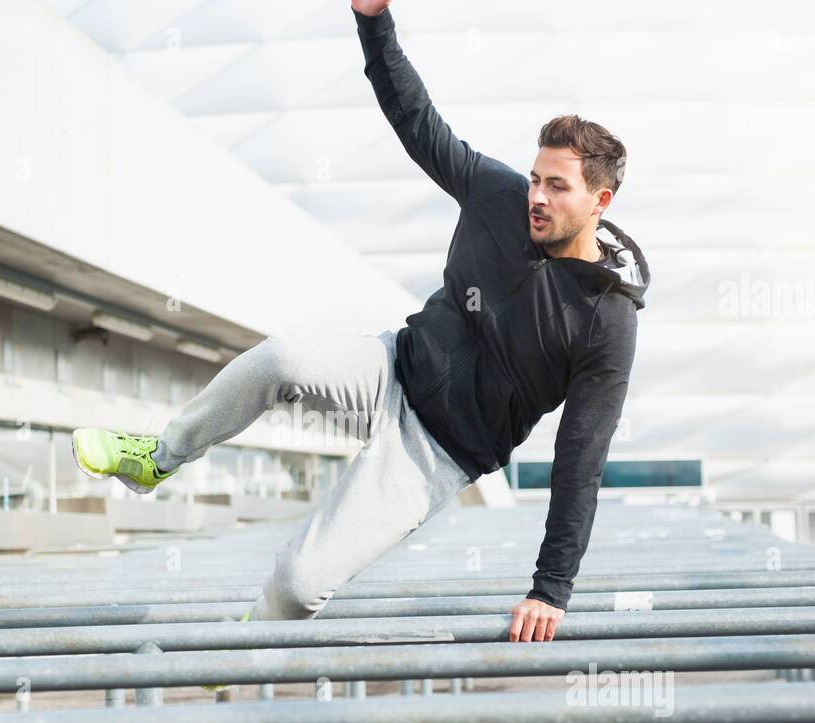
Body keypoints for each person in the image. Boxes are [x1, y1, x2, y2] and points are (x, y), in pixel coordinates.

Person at [73, 0, 649, 644]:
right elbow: (416, 121)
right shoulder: (498, 197)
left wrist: (550, 588)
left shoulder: (607, 321)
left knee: (298, 583)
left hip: (440, 450)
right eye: (537, 178)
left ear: (600, 200)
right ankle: (160, 456)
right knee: (280, 358)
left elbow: (580, 457)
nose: (537, 197)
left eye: (558, 187)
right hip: (393, 364)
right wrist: (373, 19)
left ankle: (236, 651)